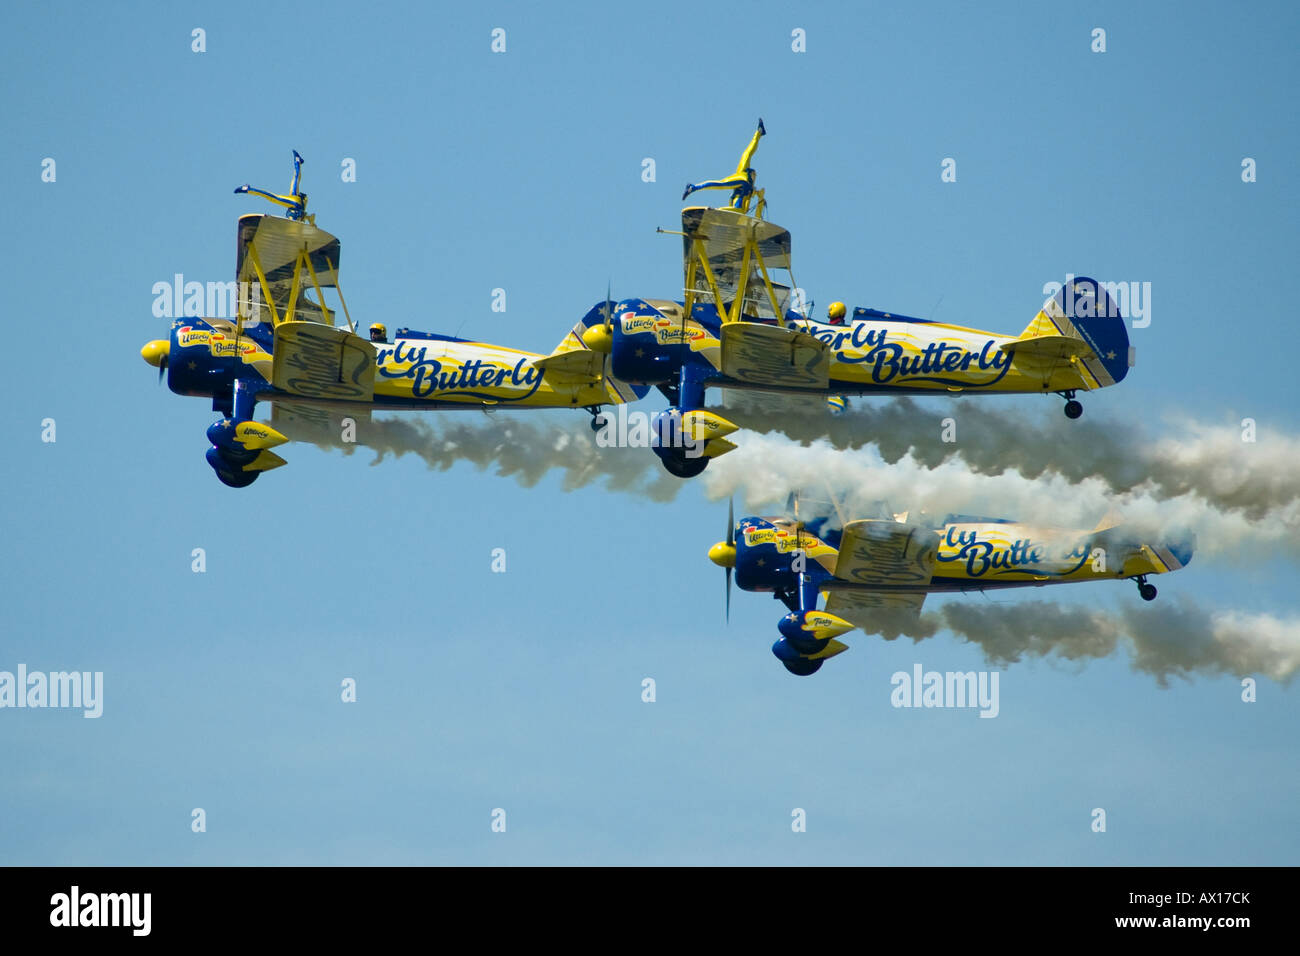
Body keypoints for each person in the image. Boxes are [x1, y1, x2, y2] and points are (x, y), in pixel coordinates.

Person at [682, 119, 766, 212]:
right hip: (741, 183)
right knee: (722, 184)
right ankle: (693, 188)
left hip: (736, 201)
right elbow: (747, 153)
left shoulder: (751, 190)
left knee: (740, 210)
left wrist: (760, 197)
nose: (755, 176)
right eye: (754, 173)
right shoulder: (745, 175)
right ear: (751, 173)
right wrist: (758, 134)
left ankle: (716, 213)